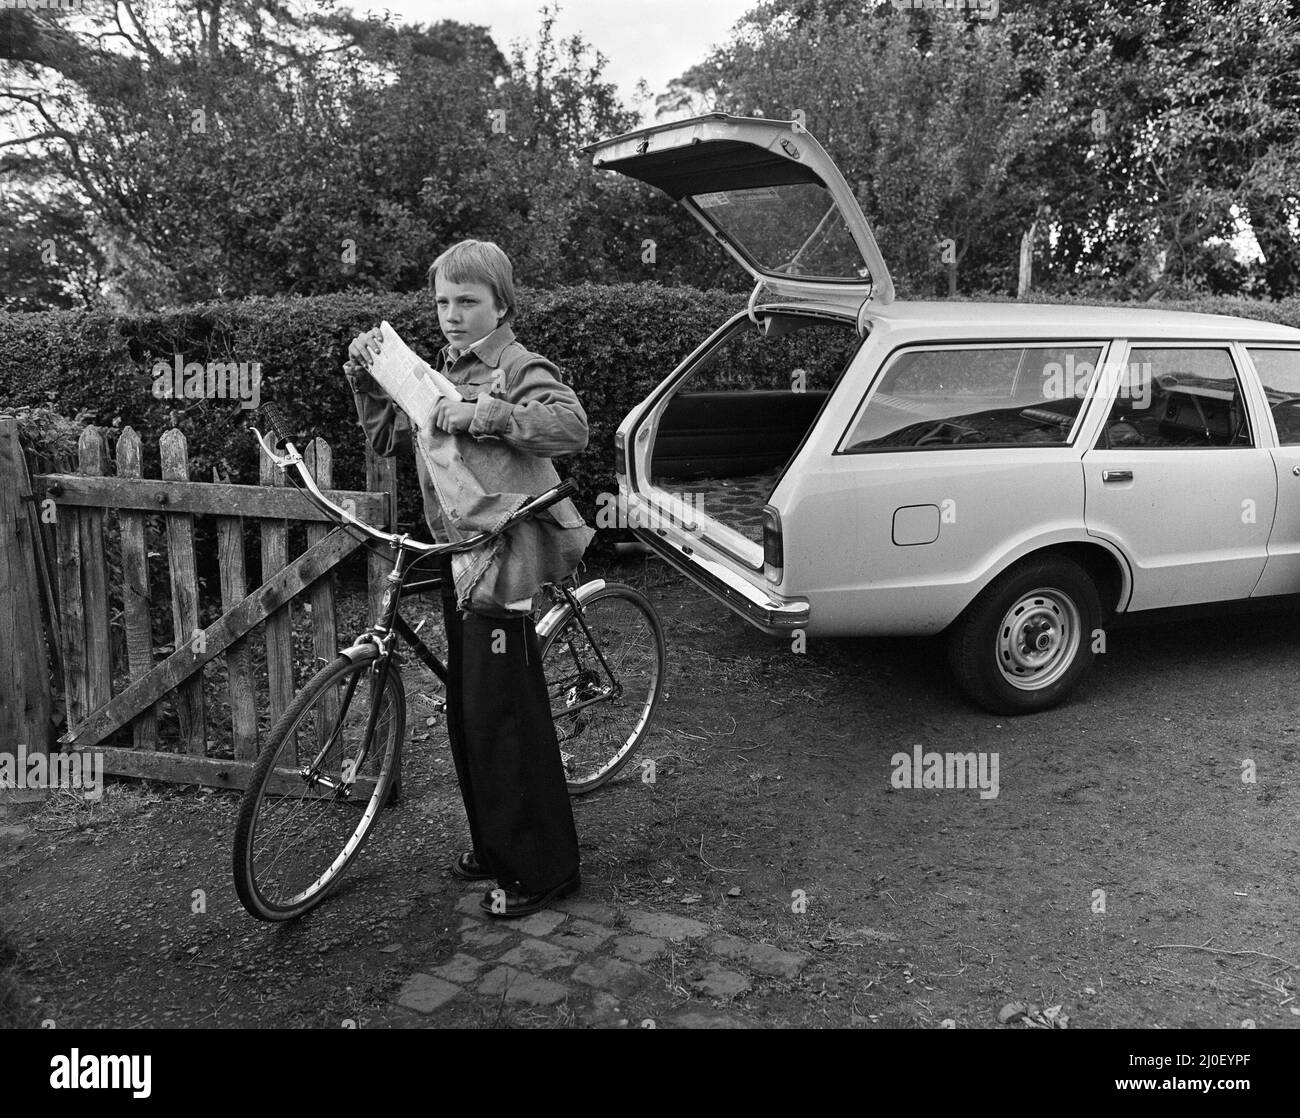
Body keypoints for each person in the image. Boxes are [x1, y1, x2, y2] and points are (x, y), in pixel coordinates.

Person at [344, 239, 593, 918]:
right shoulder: (441, 370)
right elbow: (391, 441)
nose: (452, 314)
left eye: (467, 302)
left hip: (507, 554)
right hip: (462, 554)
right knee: (470, 710)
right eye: (443, 302)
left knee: (504, 714)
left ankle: (543, 871)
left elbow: (571, 428)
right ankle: (496, 846)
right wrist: (368, 382)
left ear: (500, 305)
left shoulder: (515, 364)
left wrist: (483, 413)